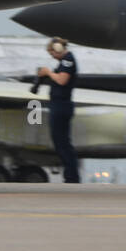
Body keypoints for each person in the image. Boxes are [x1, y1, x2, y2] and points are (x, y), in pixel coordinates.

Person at [35, 37, 80, 183]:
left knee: (62, 142)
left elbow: (62, 80)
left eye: (52, 53)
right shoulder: (63, 62)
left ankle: (72, 176)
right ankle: (71, 175)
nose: (52, 56)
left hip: (62, 106)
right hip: (58, 105)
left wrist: (48, 72)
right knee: (60, 141)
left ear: (58, 49)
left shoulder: (68, 60)